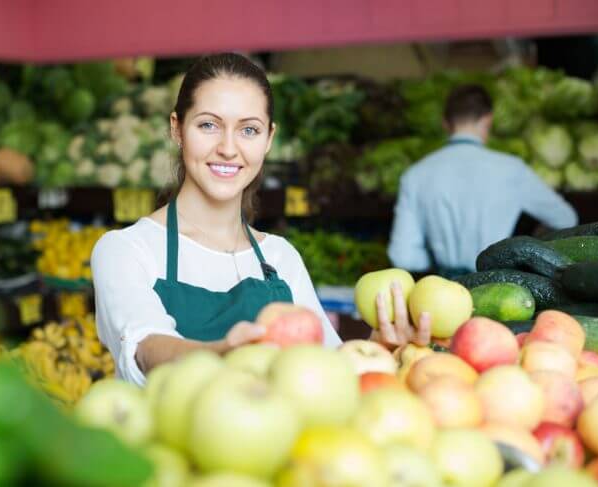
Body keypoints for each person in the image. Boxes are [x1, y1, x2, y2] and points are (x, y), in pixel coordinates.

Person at [92, 53, 428, 385]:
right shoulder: (126, 250)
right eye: (208, 125)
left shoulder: (280, 257)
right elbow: (147, 348)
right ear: (177, 129)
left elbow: (328, 371)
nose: (228, 148)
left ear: (269, 139)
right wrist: (225, 355)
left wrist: (381, 347)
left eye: (248, 130)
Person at [387, 84, 578, 277]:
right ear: (488, 120)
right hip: (499, 287)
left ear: (445, 123)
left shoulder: (415, 175)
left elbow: (404, 256)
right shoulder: (511, 169)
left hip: (441, 291)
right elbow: (565, 218)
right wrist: (531, 245)